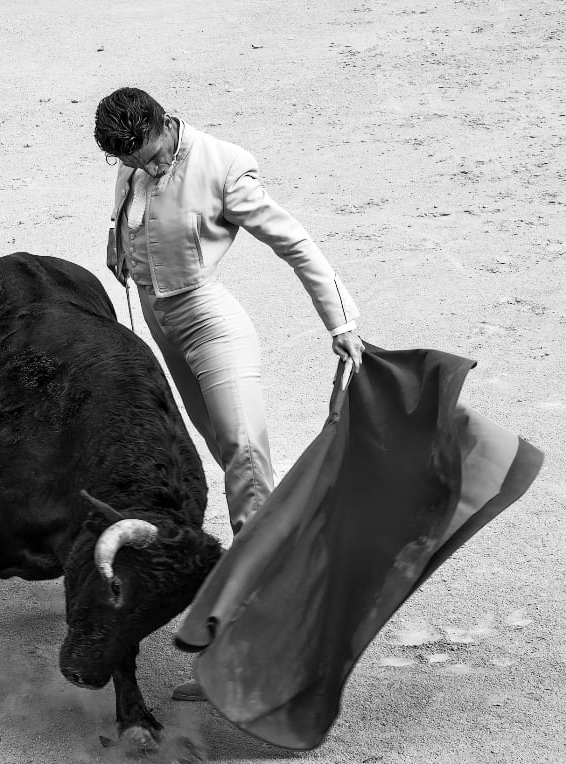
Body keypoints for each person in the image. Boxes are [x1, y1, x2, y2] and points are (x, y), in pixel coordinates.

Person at [94, 86, 364, 701]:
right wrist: (119, 248)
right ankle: (274, 594)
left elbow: (294, 243)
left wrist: (341, 322)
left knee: (245, 454)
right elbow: (133, 219)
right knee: (227, 457)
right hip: (163, 326)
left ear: (164, 125)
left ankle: (271, 634)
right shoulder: (132, 163)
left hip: (211, 323)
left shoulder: (224, 166)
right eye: (127, 163)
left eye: (146, 154)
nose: (141, 168)